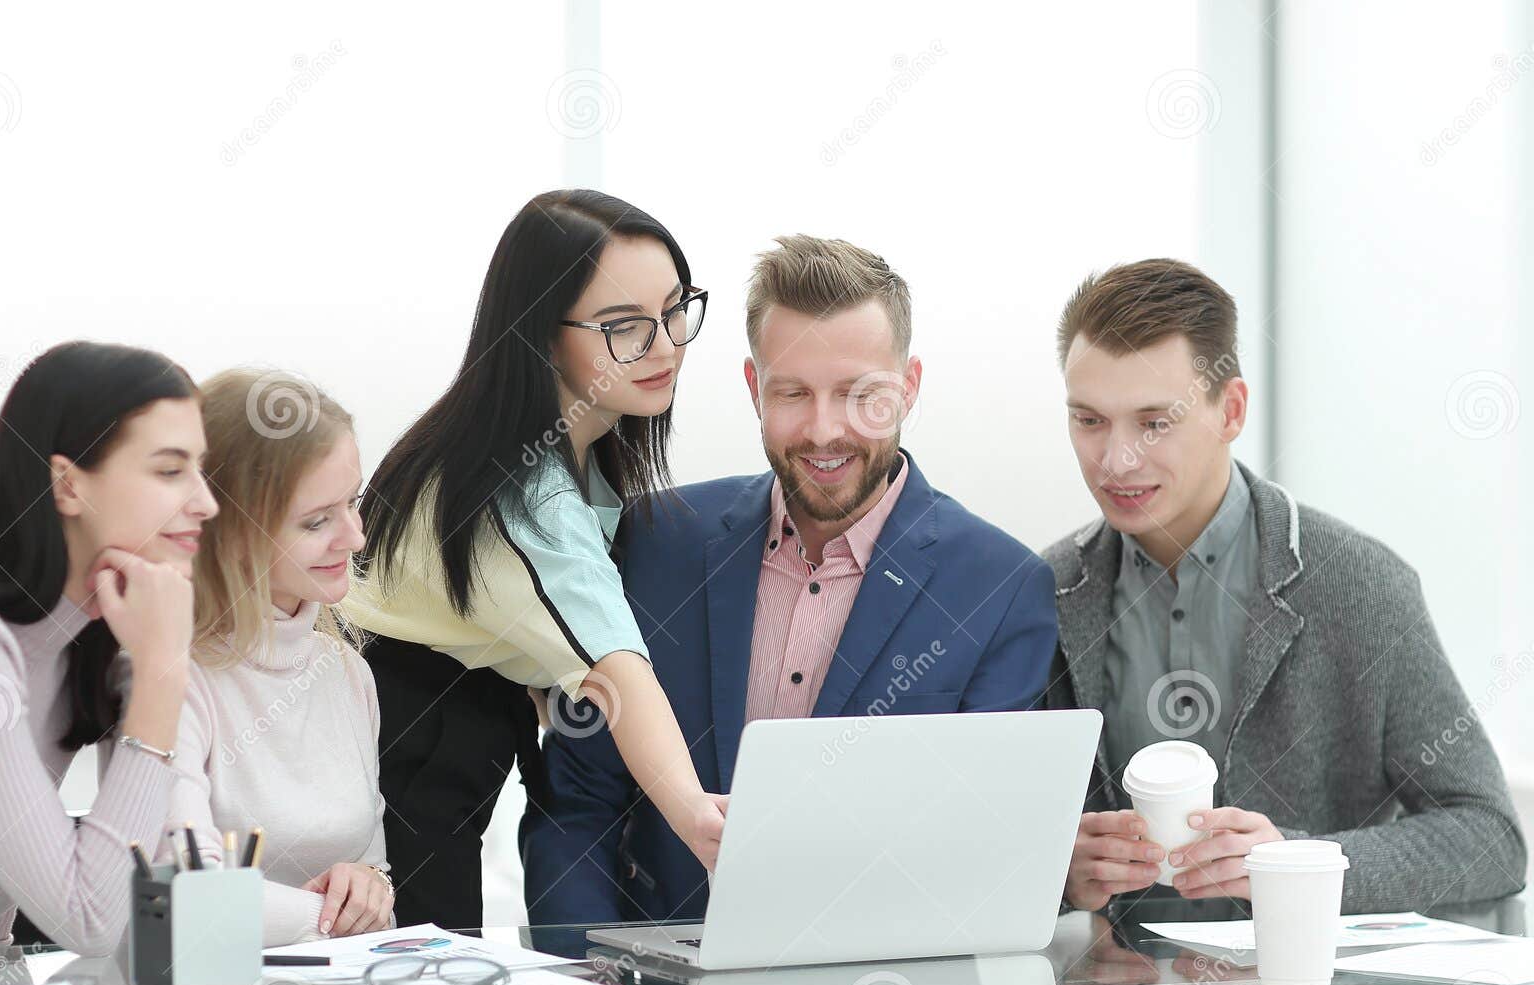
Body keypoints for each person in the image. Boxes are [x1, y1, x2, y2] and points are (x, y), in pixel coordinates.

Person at [522, 235, 1059, 924]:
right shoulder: (657, 540)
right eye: (794, 393)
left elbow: (987, 853)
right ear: (754, 388)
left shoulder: (1002, 588)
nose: (824, 429)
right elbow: (577, 805)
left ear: (910, 387)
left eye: (860, 394)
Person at [1047, 259, 1527, 914]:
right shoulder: (1044, 594)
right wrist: (1051, 872)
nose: (1115, 459)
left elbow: (1489, 836)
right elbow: (976, 842)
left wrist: (1295, 863)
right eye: (1090, 420)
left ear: (1231, 409)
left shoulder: (1360, 585)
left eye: (1154, 422)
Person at [345, 189, 724, 928]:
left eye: (677, 310)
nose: (665, 345)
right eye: (623, 327)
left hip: (437, 739)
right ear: (543, 335)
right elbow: (618, 671)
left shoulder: (559, 441)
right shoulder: (523, 493)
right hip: (396, 762)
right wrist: (698, 819)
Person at [0, 341, 217, 954]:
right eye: (170, 470)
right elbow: (92, 922)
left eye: (200, 470)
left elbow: (165, 901)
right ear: (66, 485)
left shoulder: (101, 647)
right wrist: (162, 673)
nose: (205, 503)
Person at [152, 369, 393, 946]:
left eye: (352, 503)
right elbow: (184, 889)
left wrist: (367, 887)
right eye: (317, 521)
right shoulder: (164, 678)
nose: (355, 537)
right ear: (231, 531)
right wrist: (329, 923)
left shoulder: (347, 672)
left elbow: (372, 867)